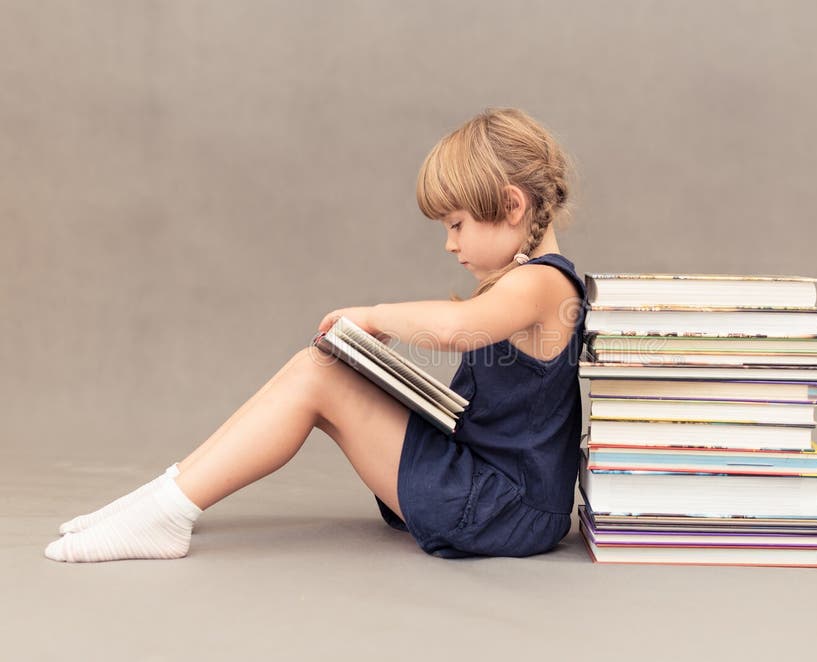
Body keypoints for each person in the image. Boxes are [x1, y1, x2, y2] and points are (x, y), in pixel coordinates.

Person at [44, 107, 587, 562]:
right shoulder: (523, 283)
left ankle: (168, 510)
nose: (450, 244)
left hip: (504, 509)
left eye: (456, 224)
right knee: (318, 370)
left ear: (513, 206)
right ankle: (165, 496)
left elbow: (455, 329)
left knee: (315, 376)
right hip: (485, 487)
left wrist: (374, 315)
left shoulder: (542, 282)